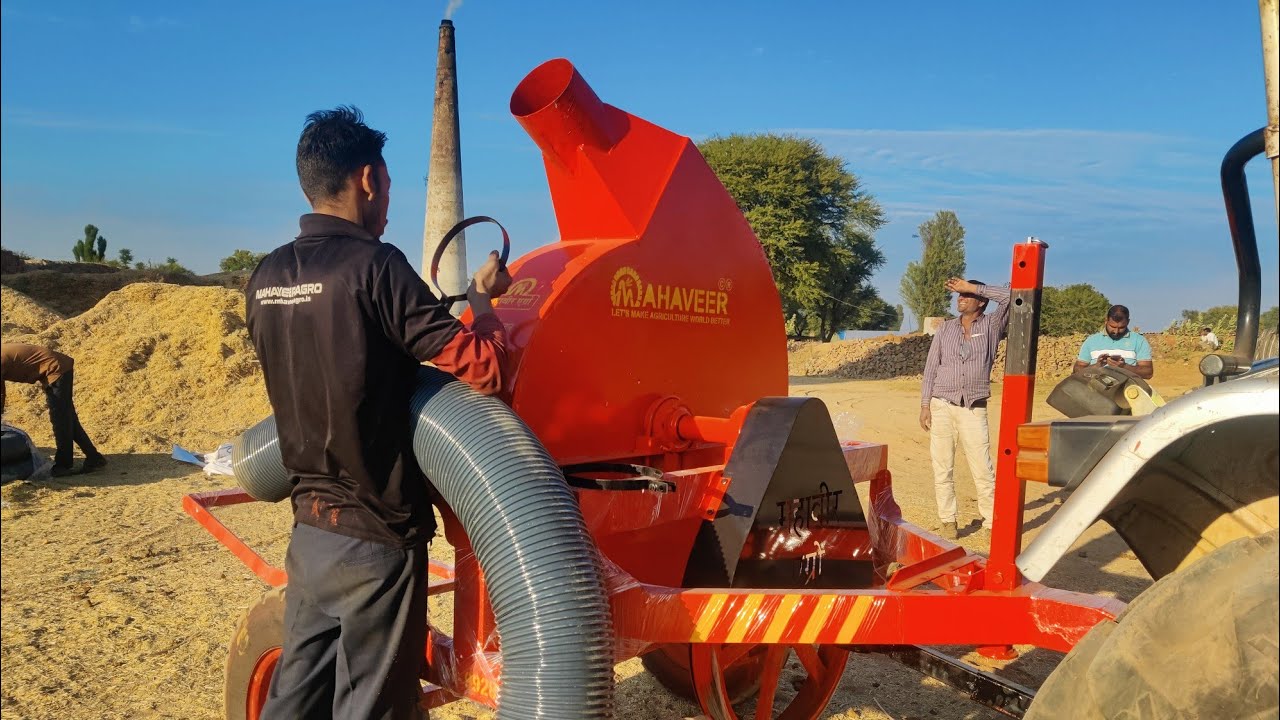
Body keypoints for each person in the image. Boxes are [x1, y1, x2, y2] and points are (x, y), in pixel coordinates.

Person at [247, 106, 511, 719]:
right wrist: (481, 302)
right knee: (373, 708)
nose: (388, 202)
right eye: (388, 186)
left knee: (296, 698)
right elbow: (488, 370)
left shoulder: (264, 277)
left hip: (310, 531)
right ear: (367, 179)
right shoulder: (376, 267)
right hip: (377, 542)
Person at [919, 278, 1011, 540]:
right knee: (942, 466)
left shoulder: (993, 325)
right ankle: (948, 520)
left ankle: (992, 521)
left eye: (965, 295)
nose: (959, 298)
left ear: (980, 301)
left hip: (973, 407)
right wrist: (925, 405)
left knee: (982, 466)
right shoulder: (946, 329)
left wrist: (973, 287)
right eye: (958, 295)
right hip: (942, 404)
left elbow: (1012, 296)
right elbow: (931, 369)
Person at [1, 343, 107, 477]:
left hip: (55, 369)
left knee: (61, 420)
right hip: (56, 367)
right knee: (69, 419)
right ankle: (94, 458)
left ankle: (63, 465)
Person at [1074, 305, 1154, 379]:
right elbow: (1076, 370)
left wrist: (1124, 366)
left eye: (1121, 327)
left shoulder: (1139, 340)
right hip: (1095, 391)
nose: (1116, 331)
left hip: (1127, 391)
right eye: (1112, 327)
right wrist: (1096, 366)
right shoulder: (1091, 341)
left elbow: (1148, 373)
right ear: (1106, 321)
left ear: (1128, 322)